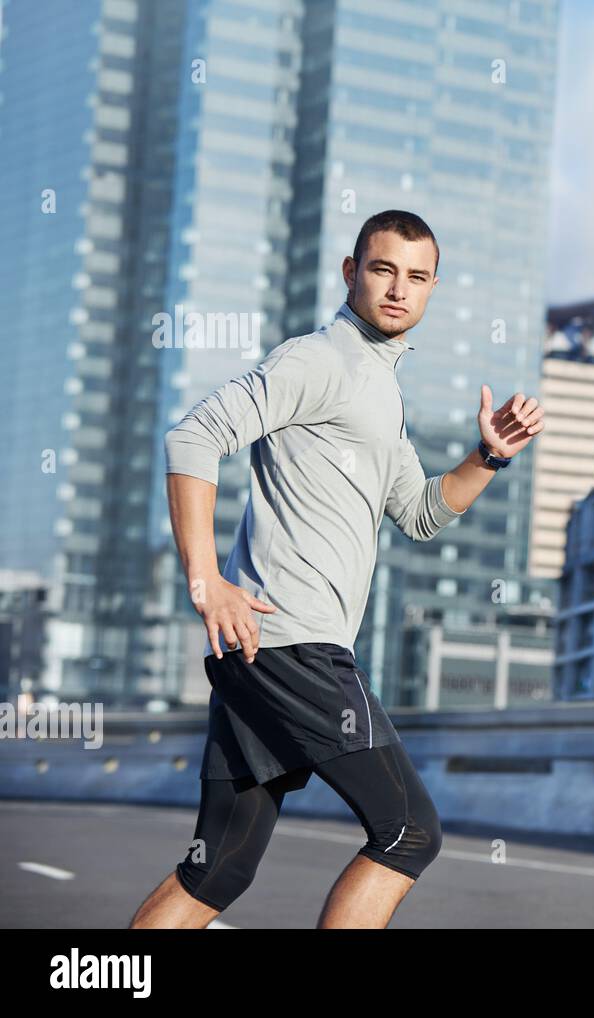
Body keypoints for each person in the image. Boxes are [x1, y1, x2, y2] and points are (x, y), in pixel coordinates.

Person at [129, 209, 545, 929]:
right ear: (351, 272)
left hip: (258, 651)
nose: (397, 289)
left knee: (218, 868)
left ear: (432, 289)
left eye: (416, 277)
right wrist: (205, 580)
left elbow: (417, 512)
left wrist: (489, 457)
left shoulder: (381, 388)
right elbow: (193, 436)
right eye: (382, 269)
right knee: (410, 829)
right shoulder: (319, 359)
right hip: (292, 641)